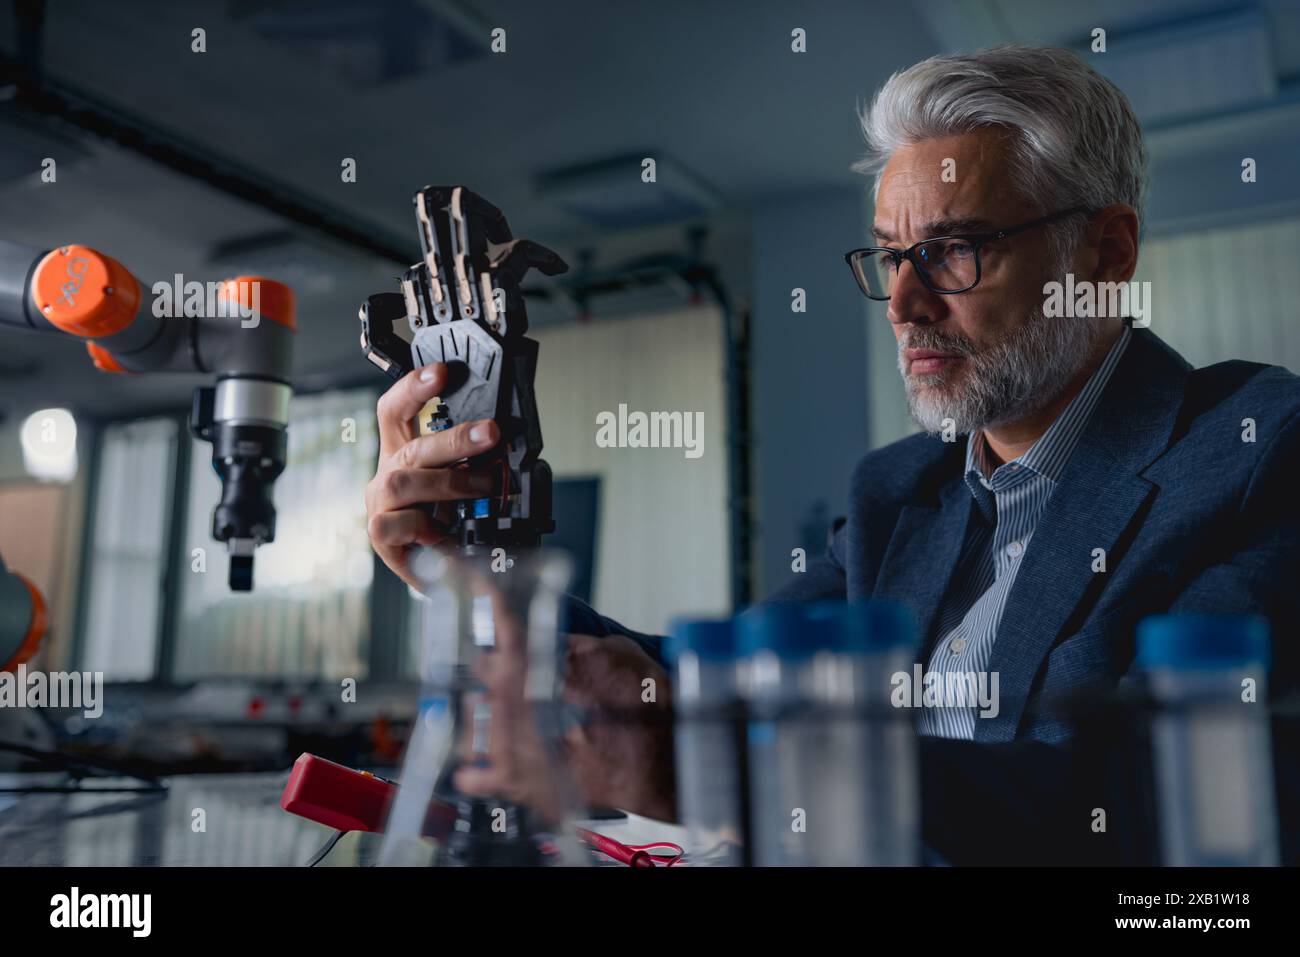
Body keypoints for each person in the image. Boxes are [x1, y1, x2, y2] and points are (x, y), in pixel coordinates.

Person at [364, 45, 1300, 862]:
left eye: (955, 251)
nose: (904, 303)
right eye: (891, 256)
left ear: (1104, 252)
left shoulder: (1260, 451)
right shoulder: (901, 490)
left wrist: (713, 769)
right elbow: (694, 684)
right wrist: (466, 568)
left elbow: (1147, 815)